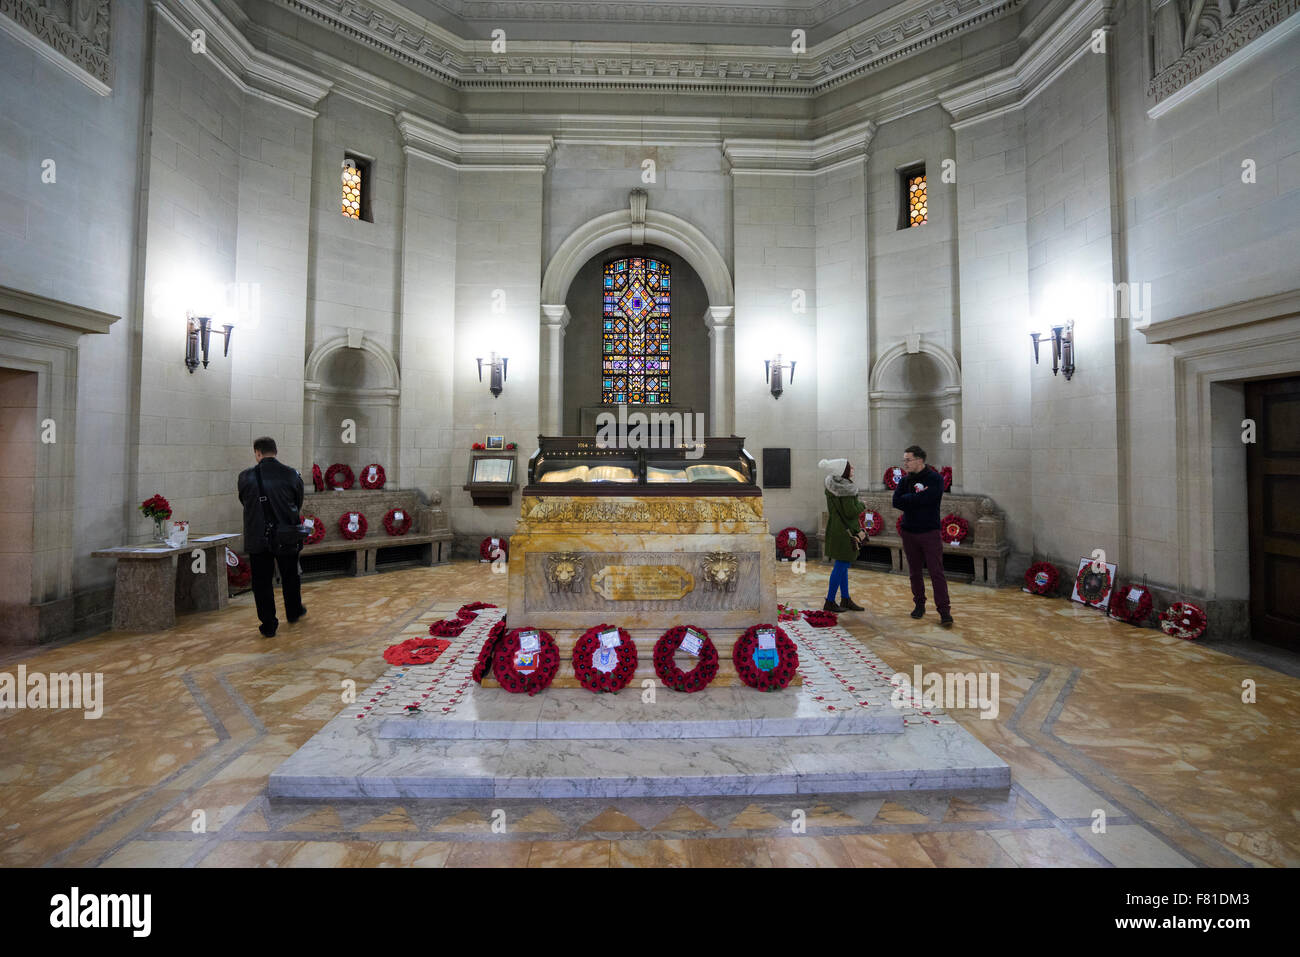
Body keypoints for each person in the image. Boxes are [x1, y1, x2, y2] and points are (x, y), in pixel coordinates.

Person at [237, 437, 306, 638]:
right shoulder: (292, 474)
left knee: (262, 582)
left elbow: (245, 501)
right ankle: (293, 612)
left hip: (258, 536)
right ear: (275, 452)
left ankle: (268, 624)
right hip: (286, 535)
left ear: (257, 453)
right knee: (290, 575)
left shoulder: (245, 477)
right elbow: (298, 501)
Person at [892, 445, 952, 627]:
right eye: (904, 460)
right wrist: (917, 498)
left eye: (908, 460)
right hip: (909, 531)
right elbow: (896, 501)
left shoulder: (935, 479)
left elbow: (930, 499)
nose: (905, 464)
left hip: (929, 532)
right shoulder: (904, 480)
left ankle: (944, 611)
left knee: (936, 572)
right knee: (914, 572)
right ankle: (919, 605)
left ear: (919, 460)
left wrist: (909, 499)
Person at [820, 457, 867, 612]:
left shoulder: (833, 486)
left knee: (843, 565)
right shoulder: (845, 490)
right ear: (844, 471)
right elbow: (850, 511)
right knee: (840, 566)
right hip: (844, 532)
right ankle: (830, 601)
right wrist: (862, 505)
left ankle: (845, 599)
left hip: (836, 528)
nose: (852, 468)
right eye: (849, 466)